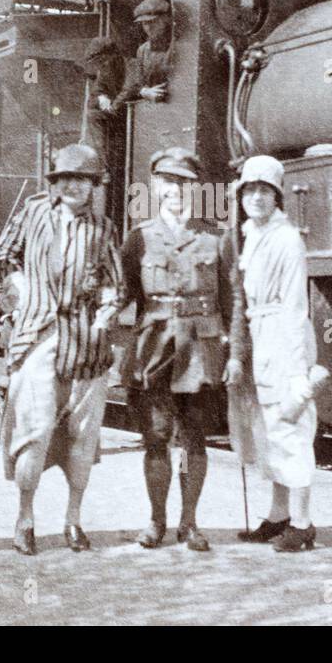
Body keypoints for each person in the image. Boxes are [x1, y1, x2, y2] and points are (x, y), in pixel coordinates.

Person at [0, 143, 124, 555]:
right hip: (38, 335)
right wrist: (21, 289)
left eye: (81, 180)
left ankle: (73, 520)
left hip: (86, 342)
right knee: (34, 431)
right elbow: (3, 255)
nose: (72, 186)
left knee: (82, 436)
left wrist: (106, 311)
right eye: (65, 178)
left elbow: (115, 283)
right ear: (55, 183)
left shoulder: (103, 229)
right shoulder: (33, 213)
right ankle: (25, 517)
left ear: (93, 186)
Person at [121, 147, 234, 551]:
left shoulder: (215, 237)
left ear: (195, 188)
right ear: (155, 186)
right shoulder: (139, 237)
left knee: (195, 438)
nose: (176, 190)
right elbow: (122, 295)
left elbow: (230, 299)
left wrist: (232, 349)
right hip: (155, 347)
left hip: (199, 351)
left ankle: (189, 523)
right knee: (155, 436)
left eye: (184, 183)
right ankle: (156, 521)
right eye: (168, 182)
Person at [227, 155, 319, 552]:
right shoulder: (254, 236)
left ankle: (302, 523)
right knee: (267, 430)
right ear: (242, 196)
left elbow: (296, 309)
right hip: (261, 337)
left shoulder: (286, 239)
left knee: (290, 427)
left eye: (266, 191)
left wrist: (298, 371)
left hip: (283, 337)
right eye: (251, 190)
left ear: (278, 197)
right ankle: (279, 515)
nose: (258, 197)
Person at [104, 0, 173, 112]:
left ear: (166, 20)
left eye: (152, 22)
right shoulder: (143, 50)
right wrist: (144, 92)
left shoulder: (176, 46)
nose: (148, 28)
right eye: (144, 23)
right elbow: (136, 83)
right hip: (151, 109)